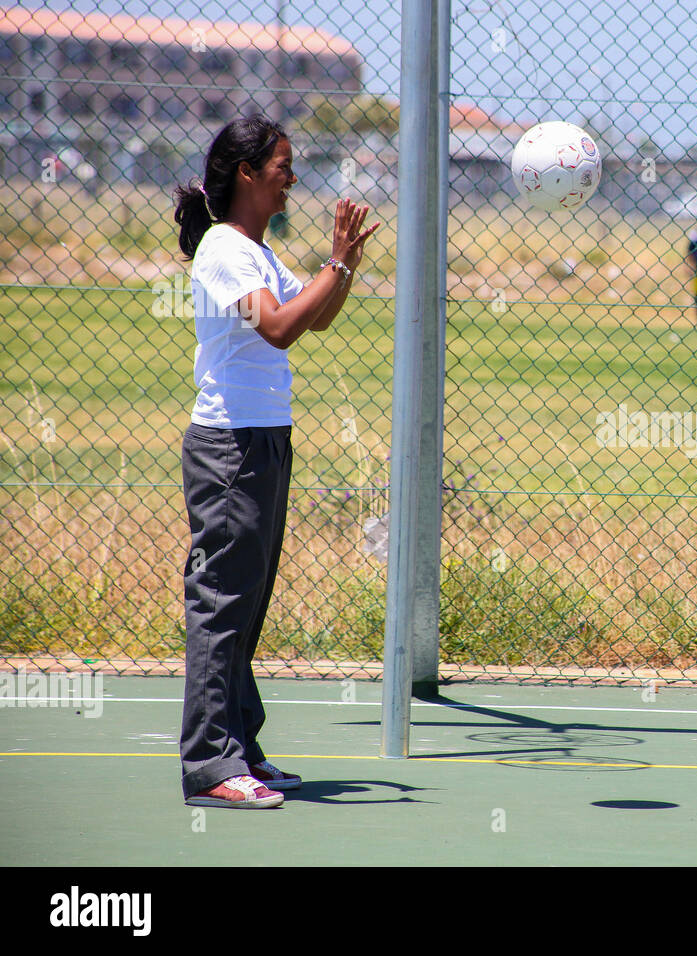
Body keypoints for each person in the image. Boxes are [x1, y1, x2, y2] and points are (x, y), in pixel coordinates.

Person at [172, 115, 379, 809]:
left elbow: (315, 315)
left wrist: (342, 264)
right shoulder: (225, 249)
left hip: (265, 439)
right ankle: (209, 765)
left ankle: (240, 747)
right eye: (283, 165)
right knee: (222, 603)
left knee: (247, 603)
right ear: (248, 174)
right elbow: (283, 328)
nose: (294, 176)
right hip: (228, 446)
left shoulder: (257, 251)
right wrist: (336, 263)